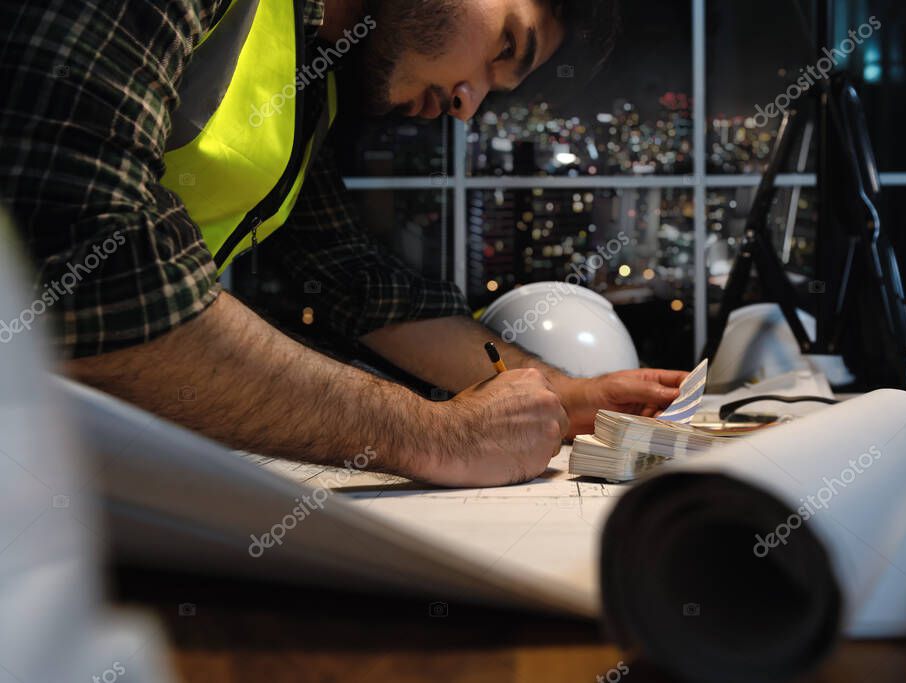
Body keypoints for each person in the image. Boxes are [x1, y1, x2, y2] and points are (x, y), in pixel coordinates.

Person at [0, 0, 686, 487]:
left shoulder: (313, 87)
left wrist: (571, 397)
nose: (467, 106)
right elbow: (84, 281)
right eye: (504, 45)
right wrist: (432, 434)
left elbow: (357, 284)